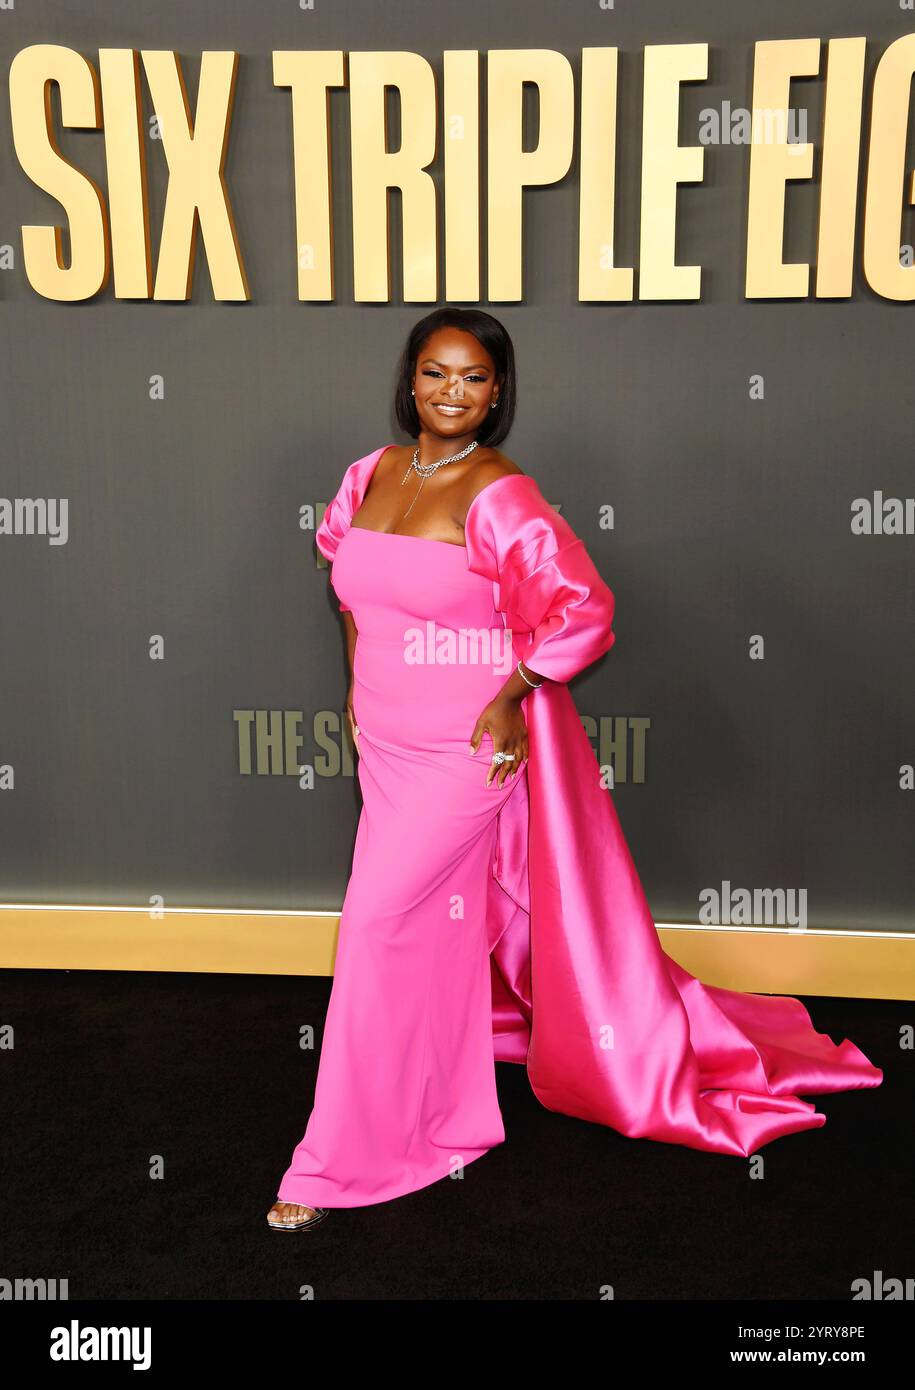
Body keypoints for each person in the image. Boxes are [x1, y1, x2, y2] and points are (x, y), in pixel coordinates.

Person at [267, 307, 882, 1232]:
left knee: (374, 926)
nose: (451, 393)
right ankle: (445, 1117)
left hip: (465, 751)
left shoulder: (500, 494)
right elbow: (349, 588)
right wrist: (361, 693)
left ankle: (340, 1160)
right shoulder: (369, 475)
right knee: (425, 932)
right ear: (410, 380)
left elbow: (582, 612)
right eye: (435, 373)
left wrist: (511, 693)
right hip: (386, 746)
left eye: (473, 378)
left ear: (498, 392)